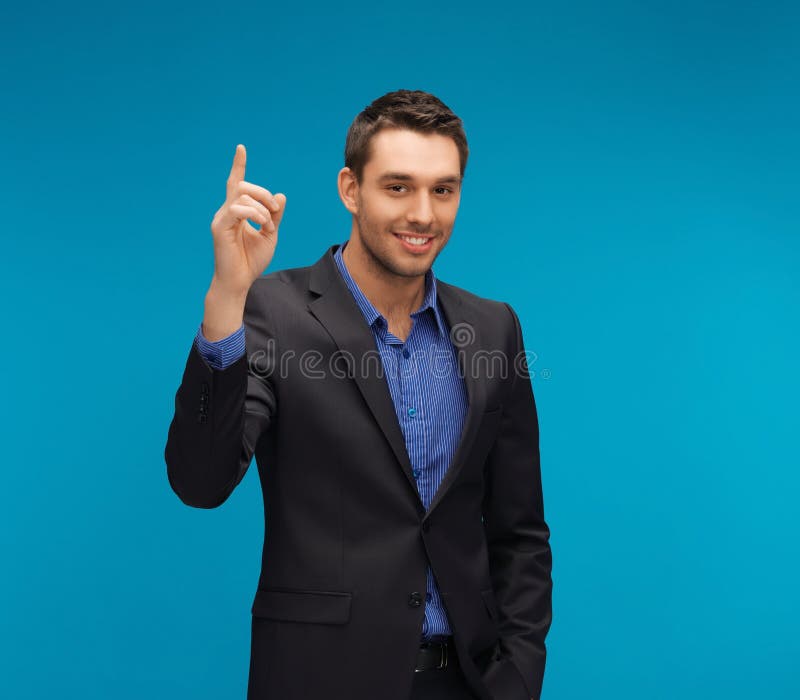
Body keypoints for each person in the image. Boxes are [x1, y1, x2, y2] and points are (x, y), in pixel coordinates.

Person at [164, 89, 552, 700]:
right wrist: (226, 300)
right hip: (321, 677)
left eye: (442, 189)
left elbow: (520, 530)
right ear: (351, 189)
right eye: (397, 187)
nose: (423, 213)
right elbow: (200, 480)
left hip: (468, 682)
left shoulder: (494, 327)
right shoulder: (272, 312)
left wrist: (518, 676)